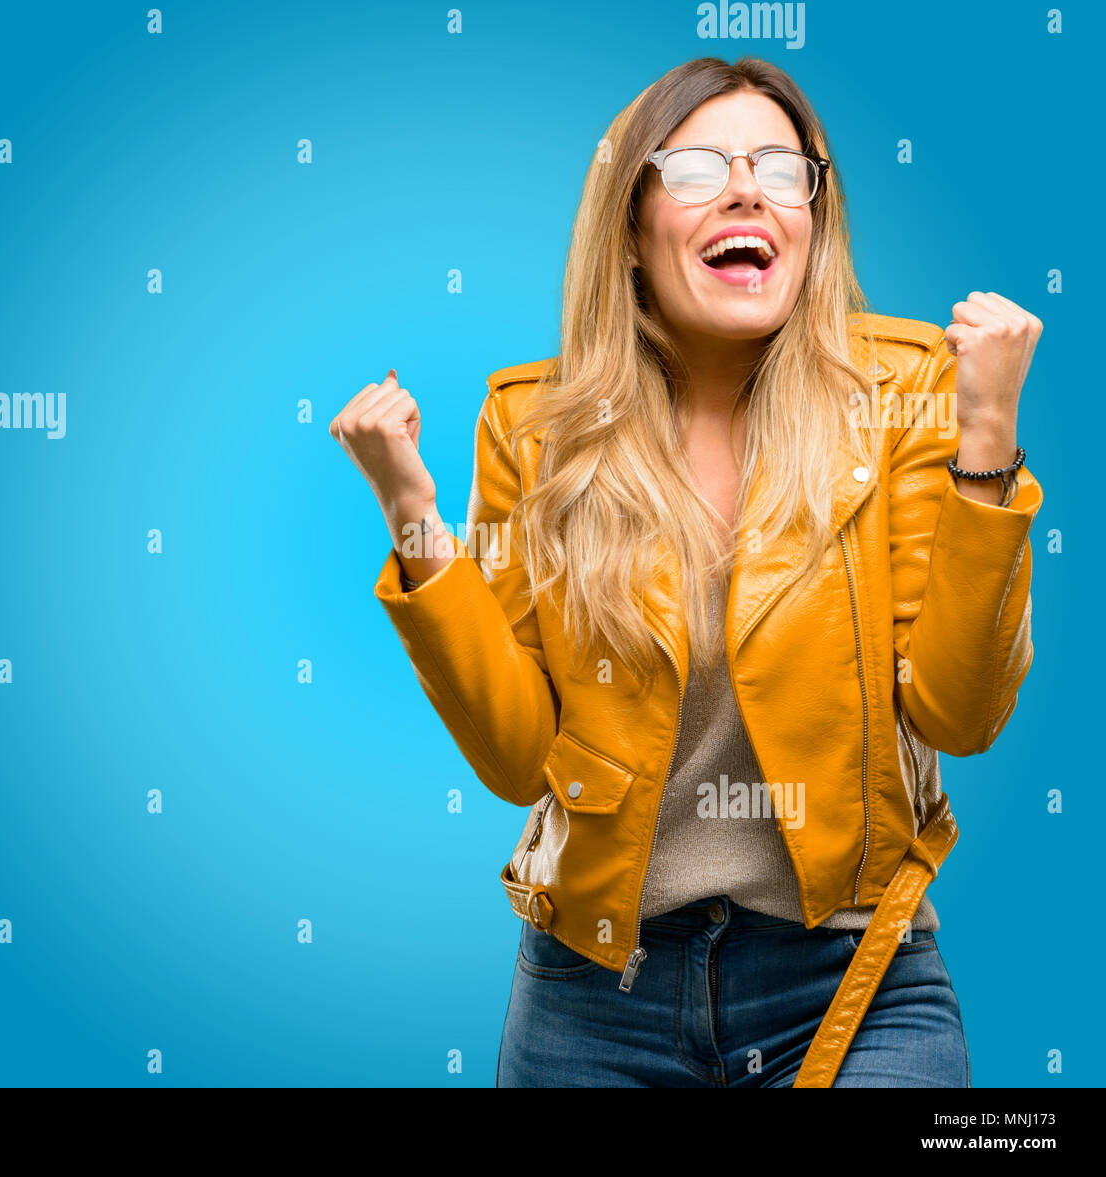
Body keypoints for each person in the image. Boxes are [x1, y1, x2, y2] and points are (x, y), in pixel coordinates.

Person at [329, 56, 1043, 1088]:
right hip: (593, 994)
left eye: (780, 168)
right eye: (700, 167)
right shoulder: (535, 431)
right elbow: (517, 757)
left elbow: (960, 714)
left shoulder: (904, 391)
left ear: (811, 215)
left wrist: (987, 435)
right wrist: (412, 515)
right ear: (629, 224)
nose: (747, 189)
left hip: (854, 974)